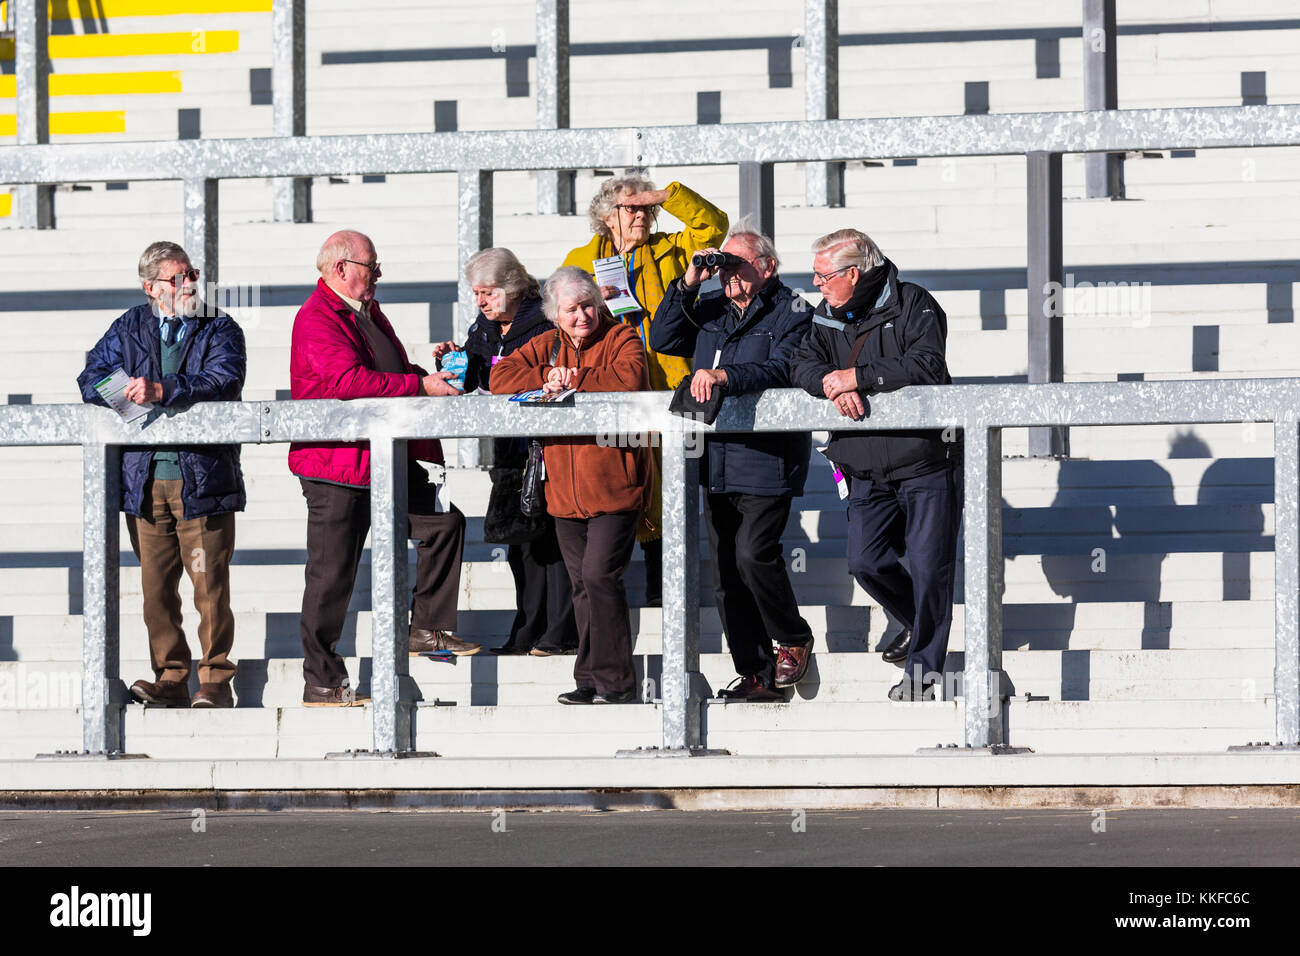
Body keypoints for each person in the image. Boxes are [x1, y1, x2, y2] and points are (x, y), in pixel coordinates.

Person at [289, 229, 479, 708]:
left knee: (444, 525)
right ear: (341, 269)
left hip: (382, 460)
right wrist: (420, 388)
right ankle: (322, 681)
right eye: (371, 267)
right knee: (331, 577)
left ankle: (427, 627)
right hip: (337, 466)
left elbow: (385, 369)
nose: (377, 275)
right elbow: (349, 381)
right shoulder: (317, 318)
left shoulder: (366, 312)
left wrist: (425, 375)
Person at [791, 228, 961, 702]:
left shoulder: (914, 302)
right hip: (864, 464)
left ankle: (924, 673)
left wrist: (859, 377)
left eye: (824, 275)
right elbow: (799, 364)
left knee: (930, 568)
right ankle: (916, 622)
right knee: (865, 561)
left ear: (853, 273)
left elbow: (927, 364)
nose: (817, 284)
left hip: (925, 460)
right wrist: (831, 381)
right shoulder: (823, 316)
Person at [77, 241, 246, 709]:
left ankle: (214, 679)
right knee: (155, 592)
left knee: (208, 586)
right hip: (145, 480)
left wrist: (163, 389)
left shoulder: (220, 326)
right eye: (177, 277)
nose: (189, 283)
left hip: (203, 476)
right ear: (152, 288)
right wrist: (127, 396)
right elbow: (89, 376)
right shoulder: (128, 326)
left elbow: (224, 380)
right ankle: (170, 676)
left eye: (191, 273)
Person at [649, 221, 815, 701]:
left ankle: (793, 638)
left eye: (737, 265)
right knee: (724, 575)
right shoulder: (713, 306)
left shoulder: (794, 309)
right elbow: (662, 338)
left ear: (767, 266)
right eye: (722, 265)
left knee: (752, 554)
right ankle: (757, 674)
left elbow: (783, 366)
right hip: (715, 457)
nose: (728, 275)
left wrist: (723, 374)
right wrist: (688, 282)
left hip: (767, 457)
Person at [562, 176, 729, 608]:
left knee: (668, 484)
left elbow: (713, 227)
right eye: (629, 208)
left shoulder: (670, 248)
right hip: (612, 383)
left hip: (667, 381)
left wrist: (664, 196)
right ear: (605, 216)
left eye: (645, 209)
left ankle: (665, 590)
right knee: (627, 480)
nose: (641, 216)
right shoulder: (581, 258)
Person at [490, 267, 653, 704]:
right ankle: (589, 680)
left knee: (600, 578)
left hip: (616, 486)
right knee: (582, 586)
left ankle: (617, 683)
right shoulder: (546, 343)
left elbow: (630, 380)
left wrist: (571, 380)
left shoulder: (622, 337)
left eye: (587, 306)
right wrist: (547, 375)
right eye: (571, 310)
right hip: (563, 493)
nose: (582, 316)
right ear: (555, 316)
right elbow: (500, 378)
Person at [433, 247, 578, 657]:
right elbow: (480, 377)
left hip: (548, 445)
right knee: (521, 543)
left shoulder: (544, 317)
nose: (481, 301)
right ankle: (527, 629)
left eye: (488, 292)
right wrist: (455, 362)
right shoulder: (483, 326)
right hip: (511, 449)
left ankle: (560, 632)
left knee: (552, 542)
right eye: (477, 293)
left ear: (513, 286)